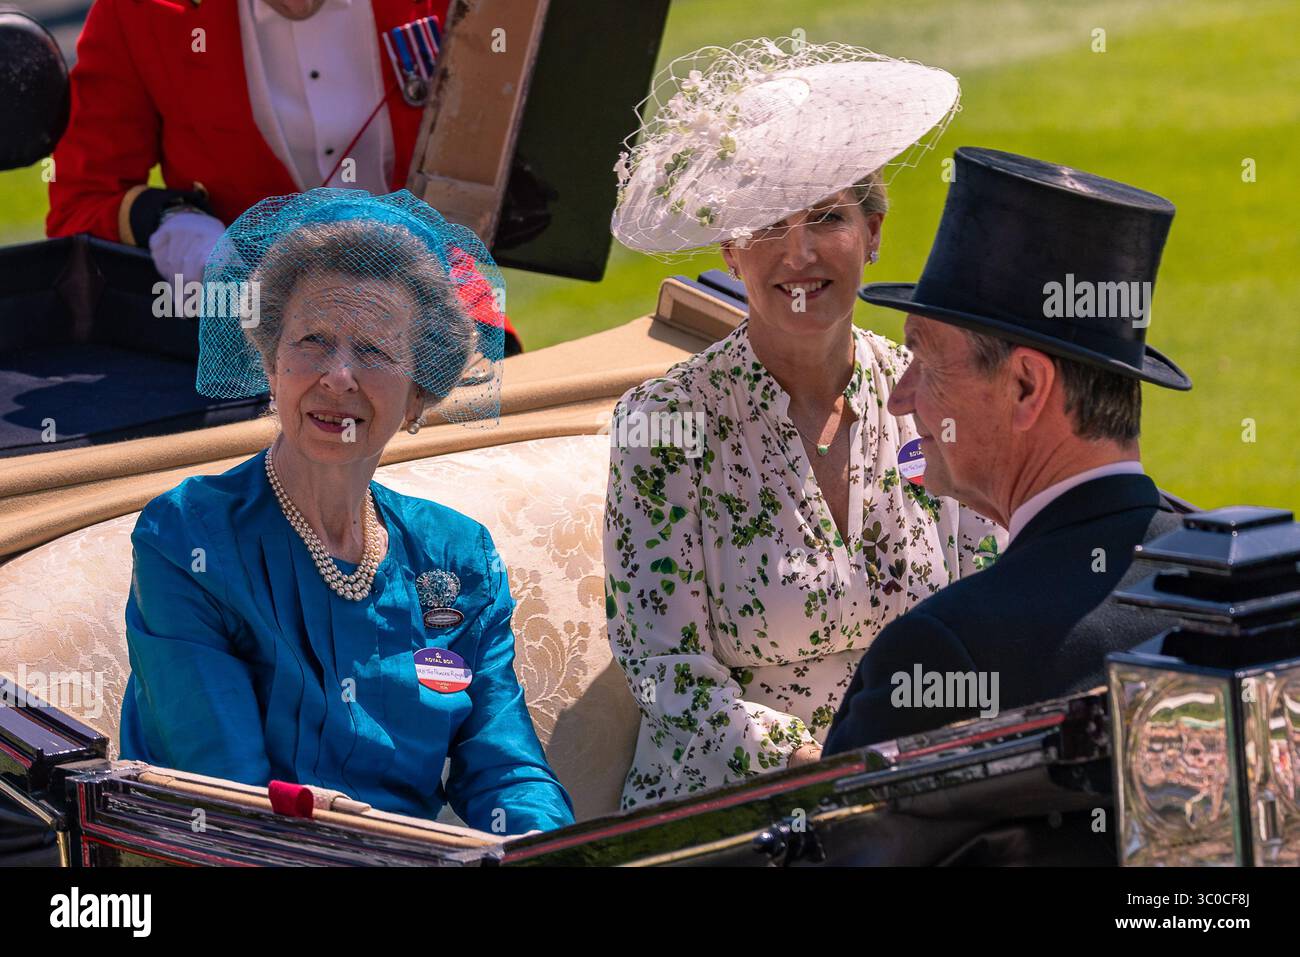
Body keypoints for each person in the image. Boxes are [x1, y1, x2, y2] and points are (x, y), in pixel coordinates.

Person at [603, 38, 1003, 808]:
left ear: (875, 230)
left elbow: (986, 602)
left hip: (911, 792)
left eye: (827, 217)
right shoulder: (661, 426)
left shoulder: (932, 393)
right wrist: (837, 769)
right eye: (765, 223)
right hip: (730, 808)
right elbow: (669, 674)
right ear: (728, 245)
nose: (798, 252)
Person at [119, 188, 571, 834]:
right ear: (271, 364)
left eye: (375, 351)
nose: (337, 375)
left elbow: (503, 769)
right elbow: (228, 798)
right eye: (312, 340)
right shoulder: (189, 538)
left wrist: (545, 847)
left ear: (419, 394)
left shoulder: (458, 556)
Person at [824, 147, 1194, 756]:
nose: (900, 397)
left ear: (1025, 387)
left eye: (926, 360)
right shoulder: (1248, 591)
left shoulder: (942, 653)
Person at [44, 0, 523, 353]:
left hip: (441, 323)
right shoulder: (139, 12)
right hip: (251, 351)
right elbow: (81, 202)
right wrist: (167, 219)